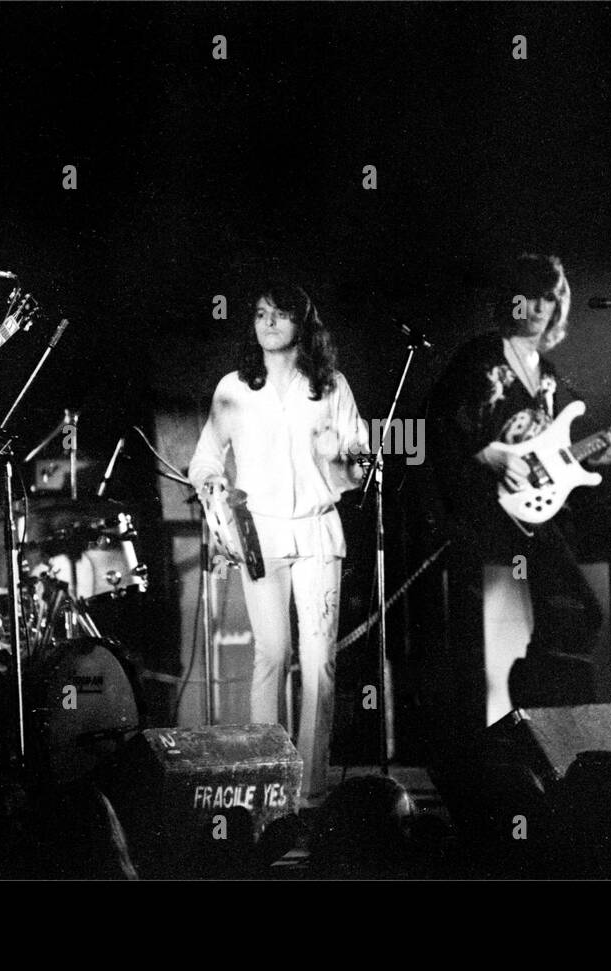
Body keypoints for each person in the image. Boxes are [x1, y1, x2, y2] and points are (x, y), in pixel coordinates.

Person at [426, 253, 611, 707]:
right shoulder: (481, 356)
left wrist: (609, 454)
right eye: (529, 296)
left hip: (535, 514)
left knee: (577, 611)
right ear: (511, 300)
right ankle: (530, 704)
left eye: (549, 296)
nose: (539, 307)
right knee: (575, 608)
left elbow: (561, 457)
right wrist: (488, 452)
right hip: (482, 507)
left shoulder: (551, 377)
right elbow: (435, 420)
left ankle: (535, 705)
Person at [189, 284, 368, 807]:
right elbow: (205, 456)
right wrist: (211, 485)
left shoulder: (331, 387)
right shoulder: (234, 388)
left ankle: (310, 791)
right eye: (260, 313)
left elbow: (357, 473)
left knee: (318, 661)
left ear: (302, 324)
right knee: (271, 653)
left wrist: (340, 458)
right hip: (258, 533)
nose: (267, 322)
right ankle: (266, 785)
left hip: (316, 532)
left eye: (279, 314)